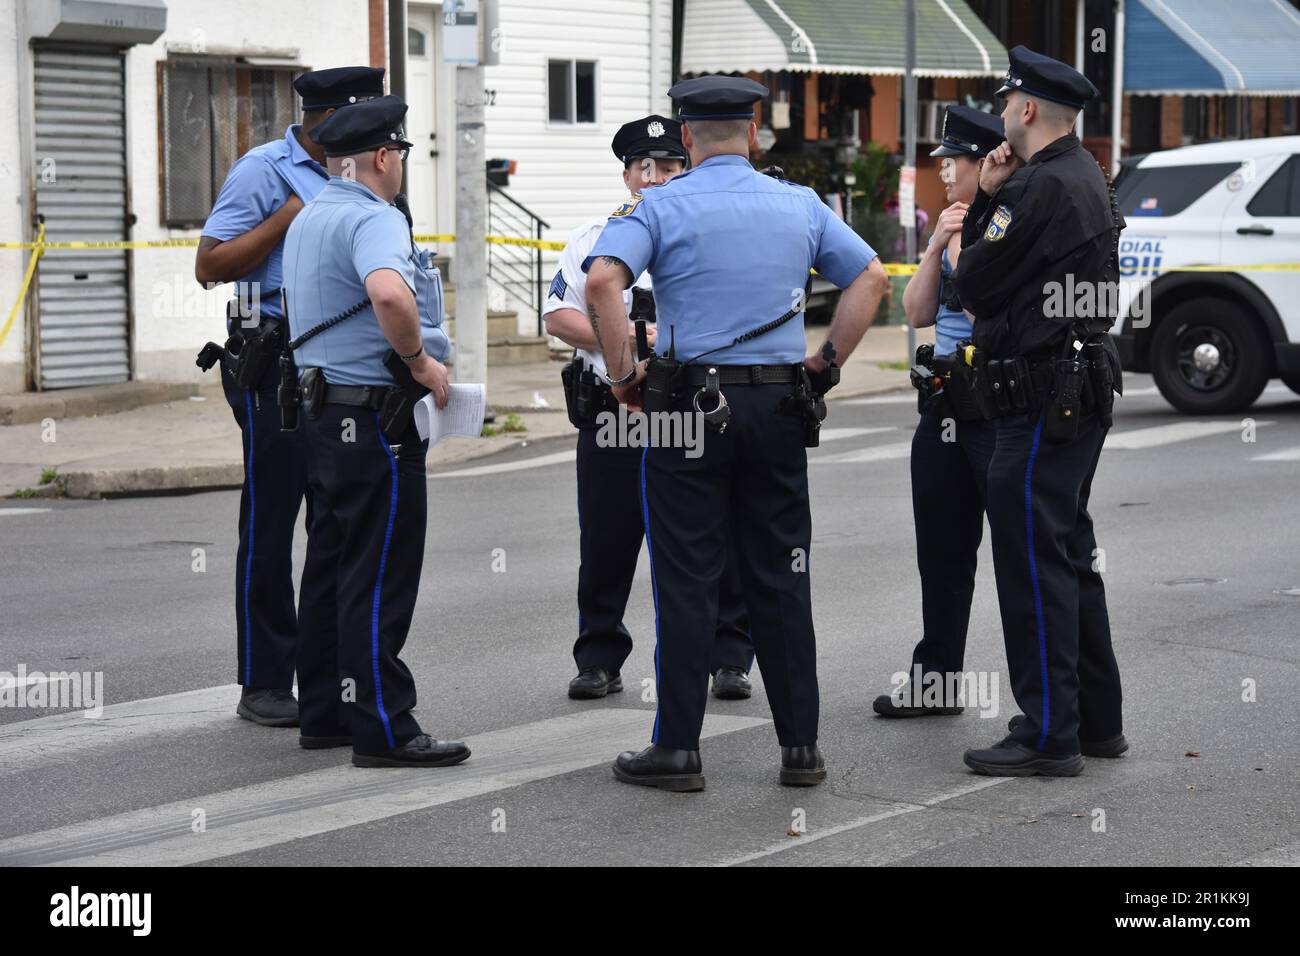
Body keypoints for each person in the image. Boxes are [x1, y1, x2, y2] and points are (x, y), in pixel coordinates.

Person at [585, 76, 890, 792]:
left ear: (685, 138)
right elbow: (872, 278)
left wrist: (624, 373)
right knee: (782, 575)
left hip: (690, 411)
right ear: (753, 132)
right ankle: (802, 749)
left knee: (687, 577)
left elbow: (602, 282)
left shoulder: (657, 202)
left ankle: (679, 750)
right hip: (779, 407)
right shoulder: (801, 204)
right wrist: (822, 367)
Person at [952, 46, 1126, 776]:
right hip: (1076, 392)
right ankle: (1095, 722)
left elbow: (974, 283)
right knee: (1068, 555)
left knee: (1031, 563)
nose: (998, 117)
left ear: (1026, 110)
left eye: (1004, 105)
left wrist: (988, 198)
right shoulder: (1088, 176)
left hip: (1040, 396)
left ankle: (1048, 732)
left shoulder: (1039, 188)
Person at [281, 94, 468, 768]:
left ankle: (326, 711)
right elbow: (390, 293)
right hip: (374, 417)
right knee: (379, 568)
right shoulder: (375, 217)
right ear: (384, 157)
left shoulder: (309, 216)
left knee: (331, 563)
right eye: (402, 154)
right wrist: (421, 361)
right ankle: (384, 726)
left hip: (321, 414)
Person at [195, 66, 384, 727]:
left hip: (343, 365)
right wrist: (287, 217)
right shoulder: (264, 170)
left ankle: (326, 678)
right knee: (274, 520)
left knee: (335, 522)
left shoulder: (368, 172)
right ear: (327, 119)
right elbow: (210, 266)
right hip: (273, 361)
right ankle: (265, 681)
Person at [544, 115, 756, 702]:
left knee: (714, 536)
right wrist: (635, 337)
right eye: (647, 167)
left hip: (692, 409)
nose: (658, 178)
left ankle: (730, 654)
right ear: (627, 175)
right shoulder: (595, 237)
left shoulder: (710, 233)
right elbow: (559, 316)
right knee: (607, 540)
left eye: (670, 166)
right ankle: (599, 657)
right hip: (613, 409)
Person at [873, 106, 1004, 718]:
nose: (945, 171)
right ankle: (938, 682)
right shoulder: (952, 227)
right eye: (942, 161)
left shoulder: (1004, 224)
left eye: (954, 160)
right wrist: (933, 248)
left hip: (994, 408)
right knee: (942, 553)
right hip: (942, 404)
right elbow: (917, 312)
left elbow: (992, 315)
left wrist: (960, 251)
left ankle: (1050, 701)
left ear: (987, 163)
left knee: (1016, 552)